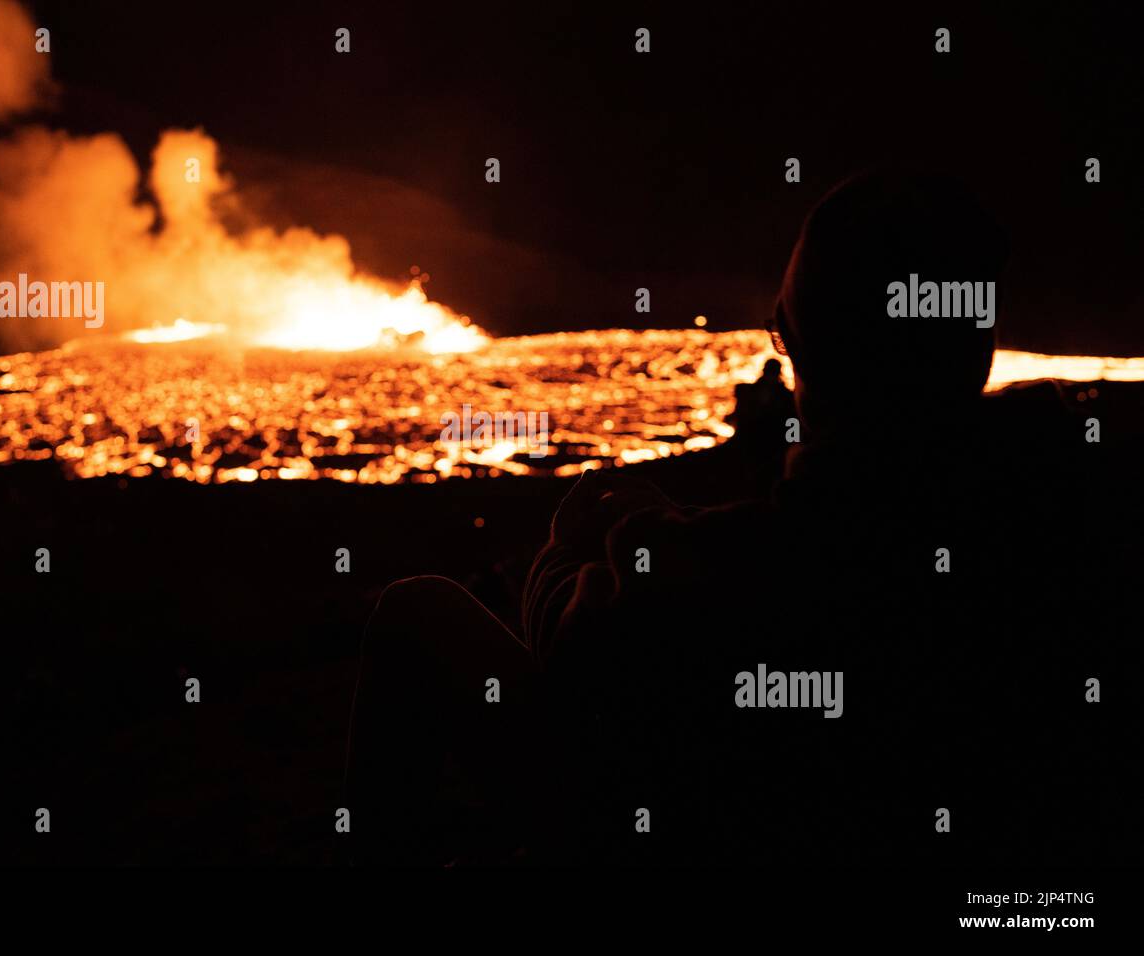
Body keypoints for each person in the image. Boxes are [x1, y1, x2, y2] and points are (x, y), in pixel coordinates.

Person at [344, 170, 1131, 866]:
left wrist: (587, 539)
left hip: (736, 828)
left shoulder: (777, 555)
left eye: (790, 338)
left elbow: (593, 653)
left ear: (815, 354)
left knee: (417, 610)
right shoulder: (1052, 494)